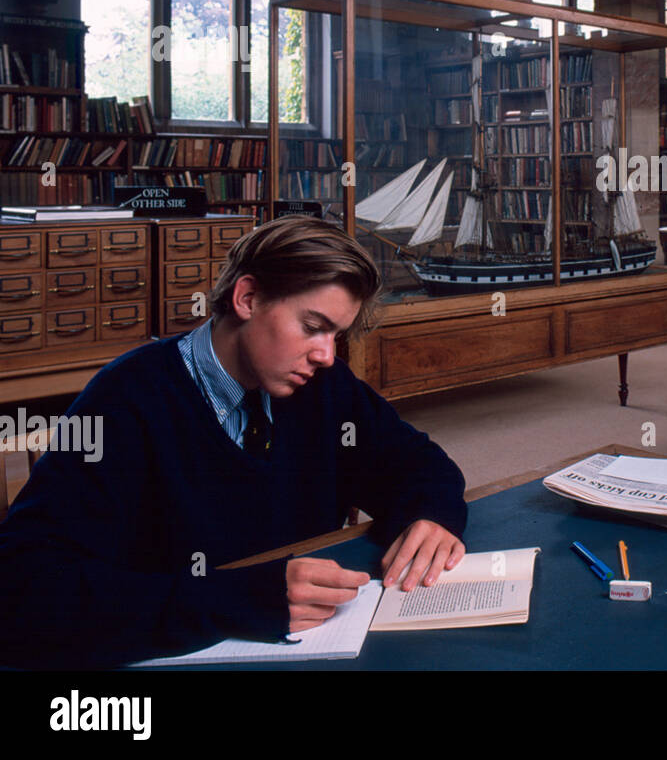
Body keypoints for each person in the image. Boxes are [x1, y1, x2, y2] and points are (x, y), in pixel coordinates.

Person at [0, 216, 468, 669]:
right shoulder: (124, 401)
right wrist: (238, 599)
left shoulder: (325, 386)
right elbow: (25, 593)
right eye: (312, 326)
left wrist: (432, 512)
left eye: (336, 334)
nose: (326, 354)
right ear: (246, 297)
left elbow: (419, 464)